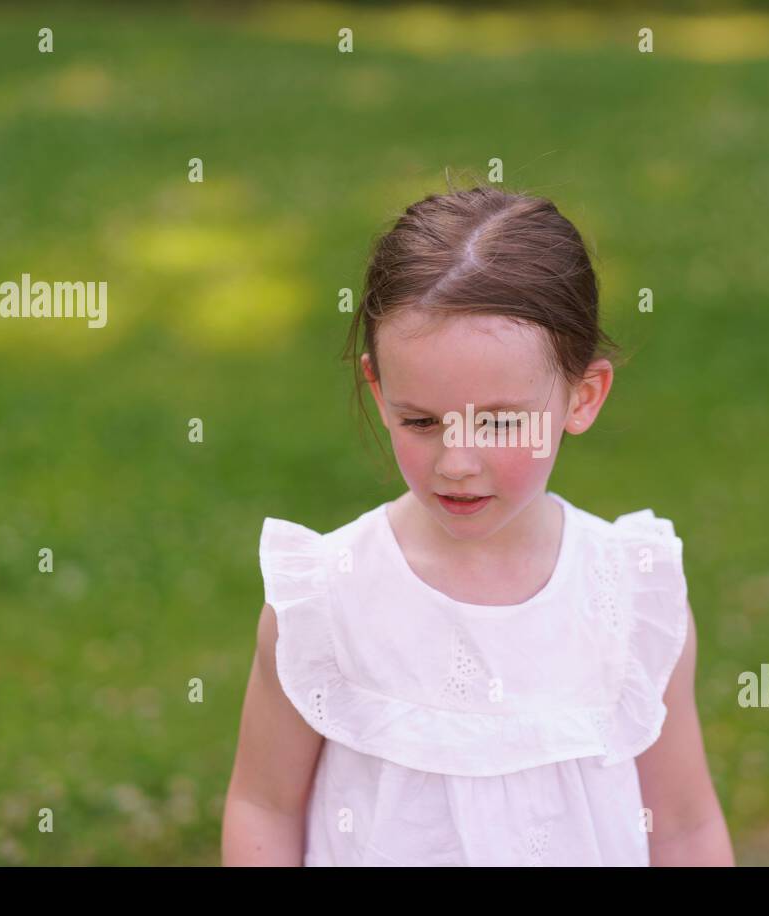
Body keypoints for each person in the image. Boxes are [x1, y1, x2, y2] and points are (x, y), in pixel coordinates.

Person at [222, 183, 734, 866]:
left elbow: (681, 826)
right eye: (421, 421)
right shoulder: (324, 599)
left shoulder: (631, 596)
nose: (456, 463)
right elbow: (264, 805)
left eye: (497, 421)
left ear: (582, 397)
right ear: (379, 392)